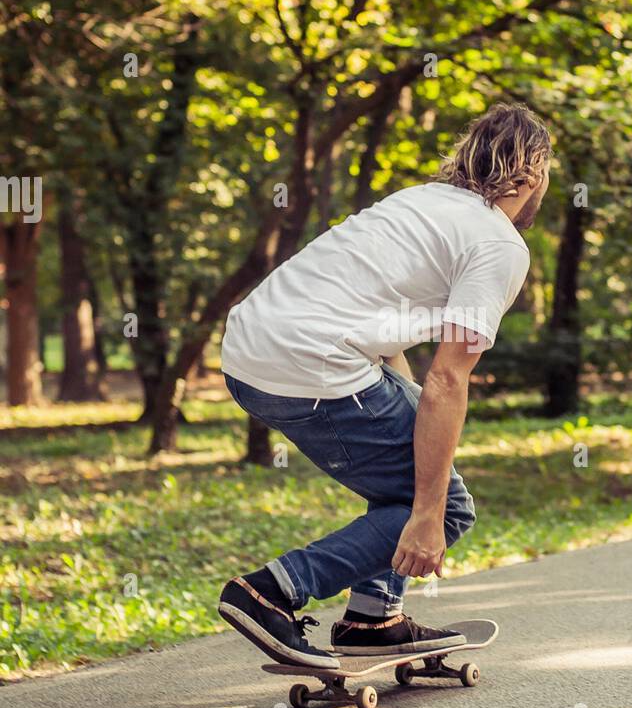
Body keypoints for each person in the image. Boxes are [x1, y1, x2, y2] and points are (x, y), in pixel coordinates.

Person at [219, 101, 551, 670]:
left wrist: (413, 423)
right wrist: (428, 513)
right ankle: (270, 591)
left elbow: (383, 327)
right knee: (446, 505)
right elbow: (448, 377)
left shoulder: (419, 203)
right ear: (527, 176)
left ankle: (374, 618)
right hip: (312, 363)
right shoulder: (498, 243)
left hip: (248, 355)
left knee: (407, 468)